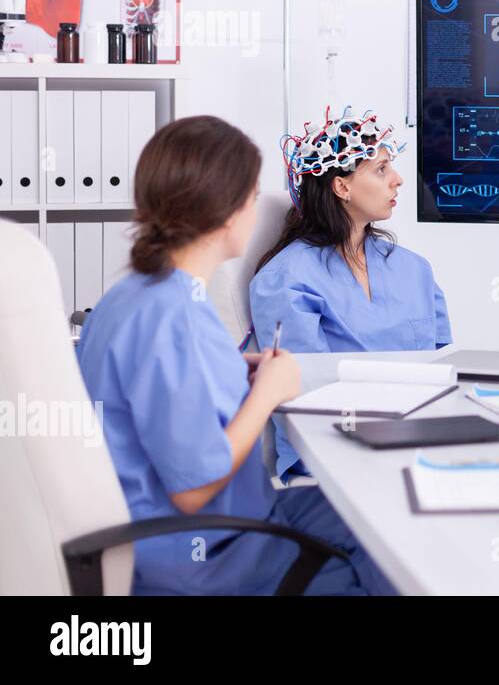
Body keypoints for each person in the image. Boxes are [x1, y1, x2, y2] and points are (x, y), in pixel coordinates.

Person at [76, 115, 395, 595]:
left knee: (375, 510)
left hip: (226, 518)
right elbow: (193, 489)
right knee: (385, 556)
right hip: (206, 551)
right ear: (226, 211)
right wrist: (267, 394)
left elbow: (166, 396)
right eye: (250, 197)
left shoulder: (135, 296)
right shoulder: (176, 317)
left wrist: (230, 370)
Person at [250, 105, 453, 481]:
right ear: (341, 186)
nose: (398, 180)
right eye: (381, 169)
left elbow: (444, 367)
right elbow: (305, 392)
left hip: (418, 444)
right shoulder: (286, 278)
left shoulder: (414, 269)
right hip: (332, 457)